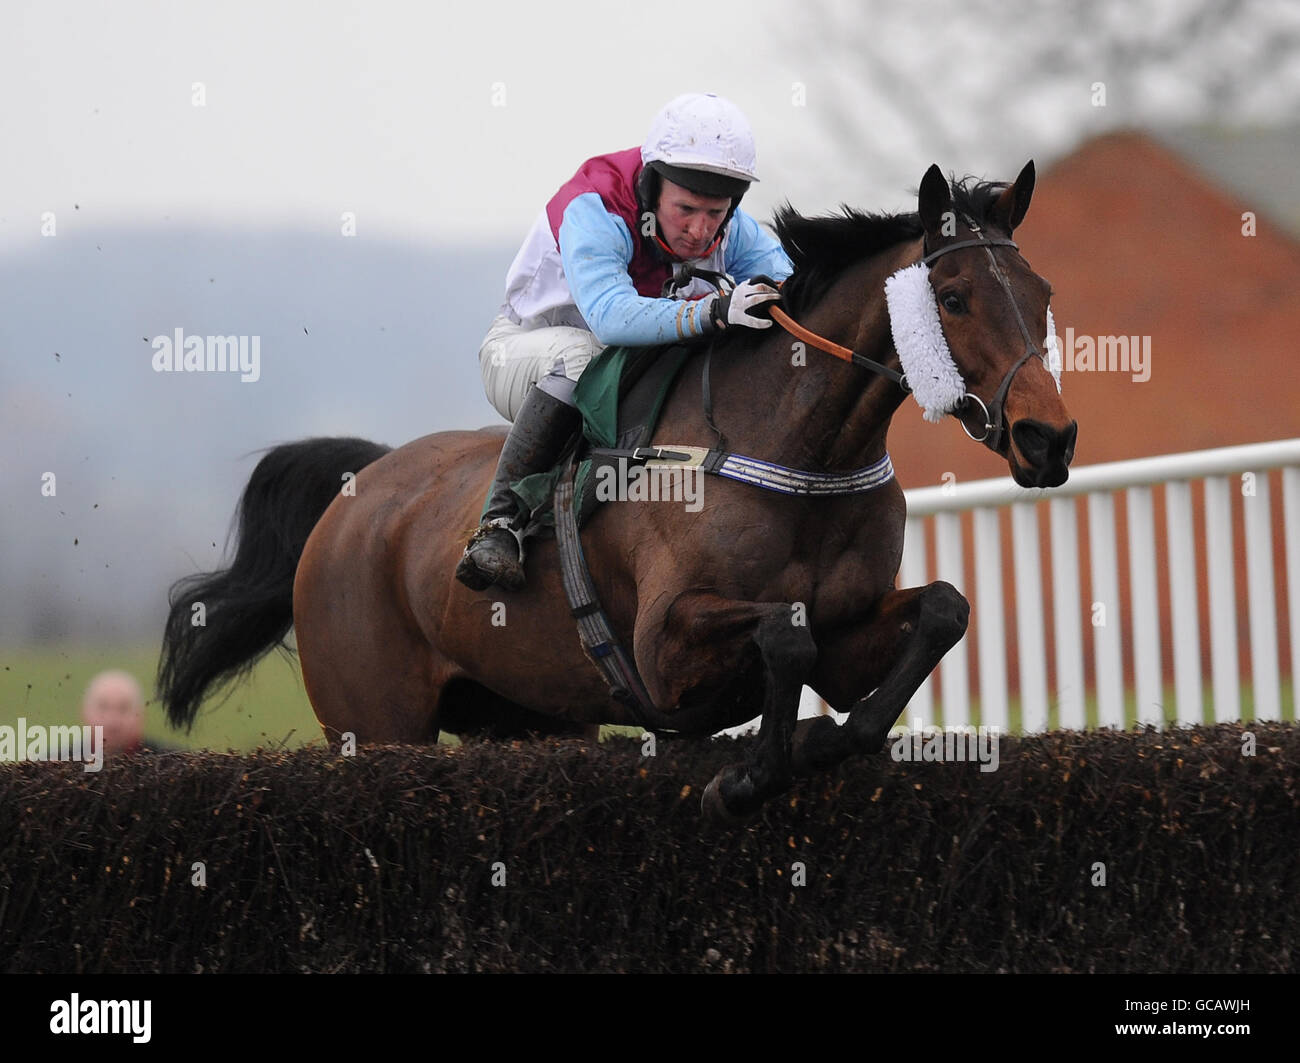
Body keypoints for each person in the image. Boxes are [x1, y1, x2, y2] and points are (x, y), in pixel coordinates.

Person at [457, 92, 794, 591]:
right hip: (525, 355)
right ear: (651, 184)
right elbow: (610, 319)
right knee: (586, 354)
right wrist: (716, 309)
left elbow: (796, 287)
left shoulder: (732, 227)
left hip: (627, 373)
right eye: (685, 209)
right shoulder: (594, 205)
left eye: (716, 213)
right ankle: (498, 525)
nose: (701, 230)